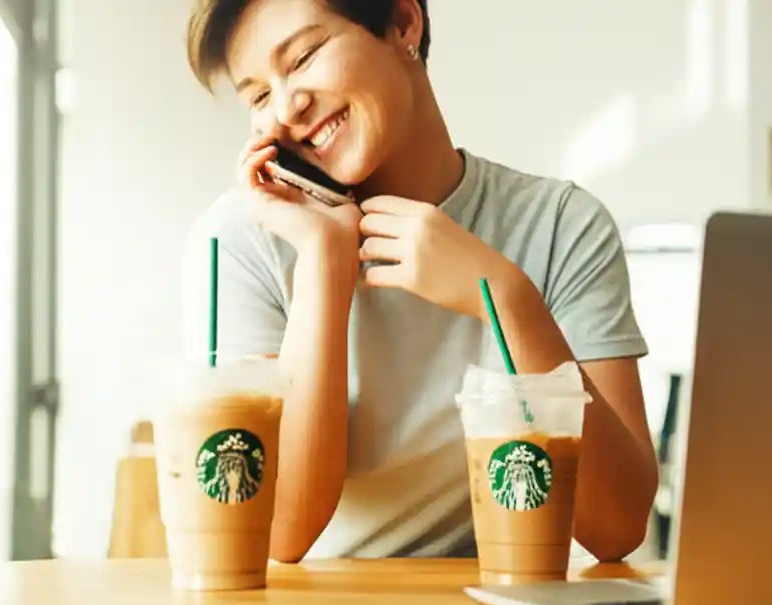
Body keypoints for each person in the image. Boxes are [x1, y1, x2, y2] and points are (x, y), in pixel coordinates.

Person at [181, 0, 657, 562]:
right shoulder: (243, 237)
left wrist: (504, 297)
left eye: (305, 56)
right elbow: (280, 532)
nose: (287, 108)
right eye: (258, 96)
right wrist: (323, 263)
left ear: (404, 23)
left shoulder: (560, 224)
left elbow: (619, 526)